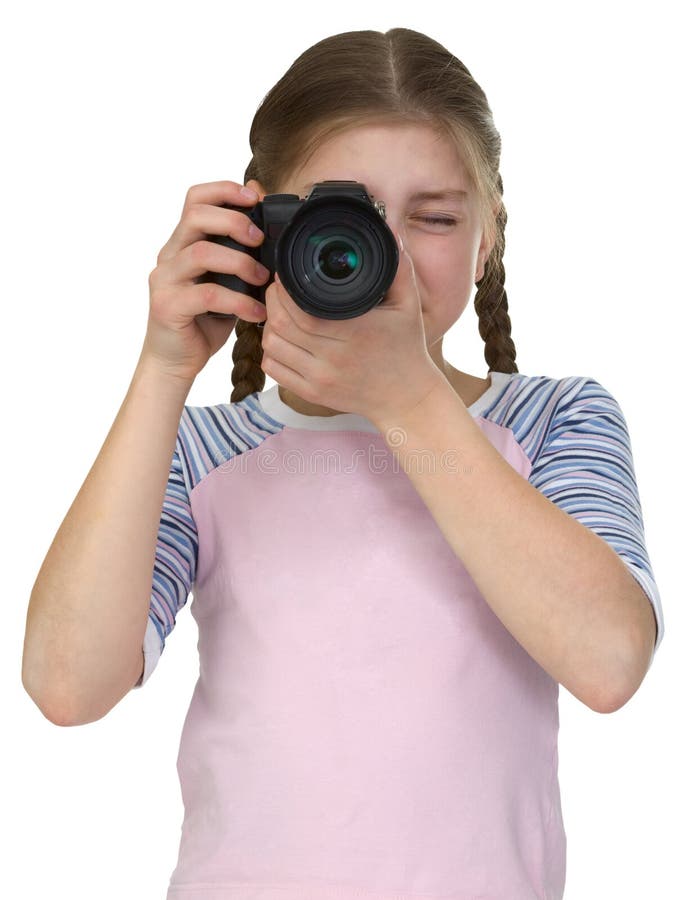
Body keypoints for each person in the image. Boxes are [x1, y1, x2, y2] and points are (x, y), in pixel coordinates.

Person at [23, 26, 664, 900]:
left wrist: (406, 400)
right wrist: (164, 367)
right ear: (261, 233)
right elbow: (67, 687)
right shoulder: (203, 449)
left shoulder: (554, 420)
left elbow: (610, 663)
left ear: (487, 239)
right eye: (346, 219)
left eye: (434, 217)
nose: (384, 255)